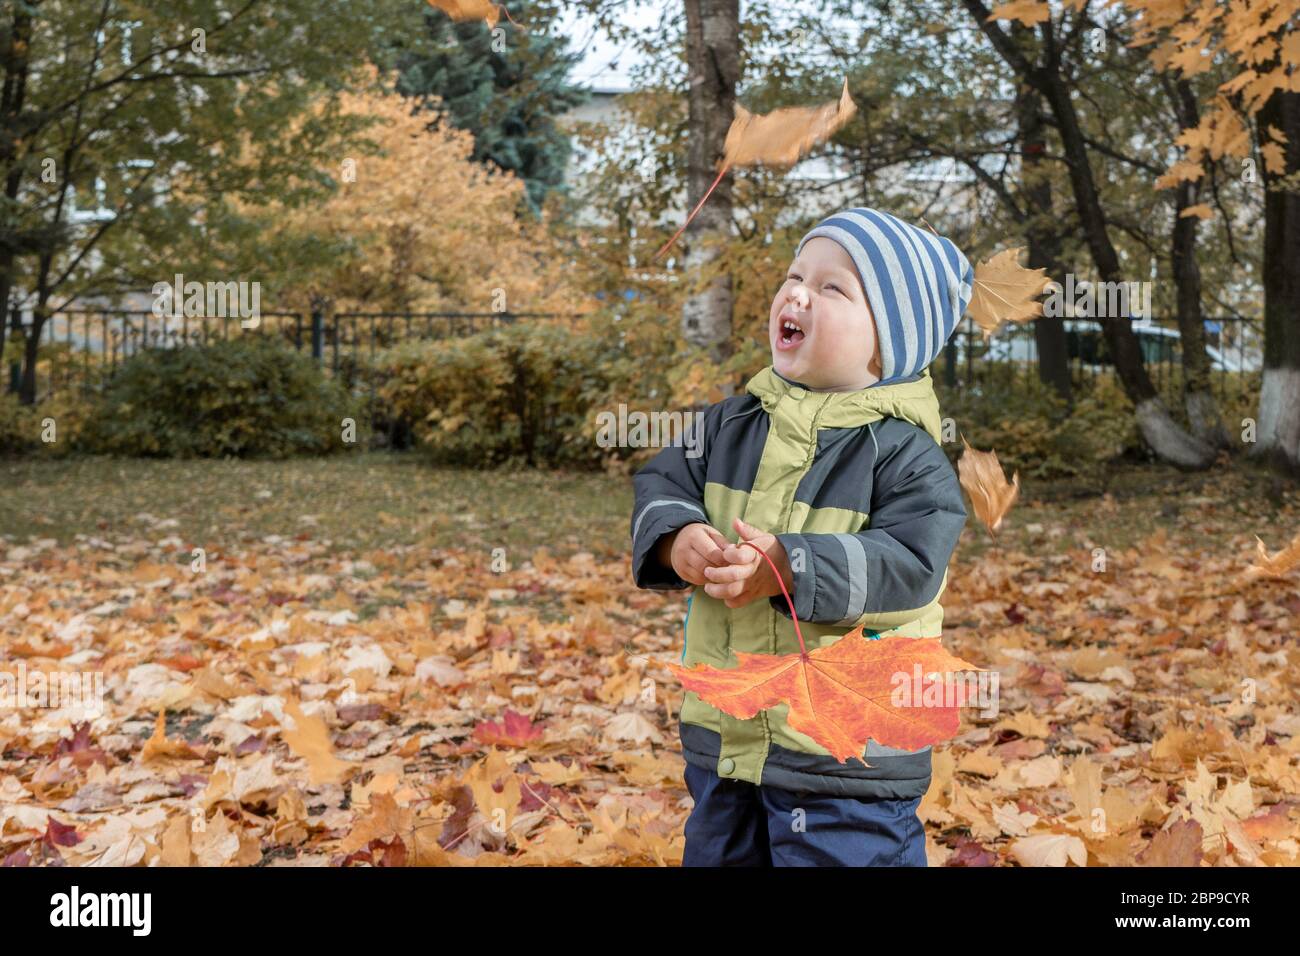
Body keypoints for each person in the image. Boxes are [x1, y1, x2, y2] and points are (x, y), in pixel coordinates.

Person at [630, 206, 971, 866]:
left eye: (832, 287)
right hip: (728, 736)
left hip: (848, 759)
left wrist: (791, 564)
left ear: (884, 347)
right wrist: (677, 536)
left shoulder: (904, 454)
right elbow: (662, 478)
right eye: (795, 276)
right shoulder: (731, 425)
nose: (796, 293)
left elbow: (910, 565)